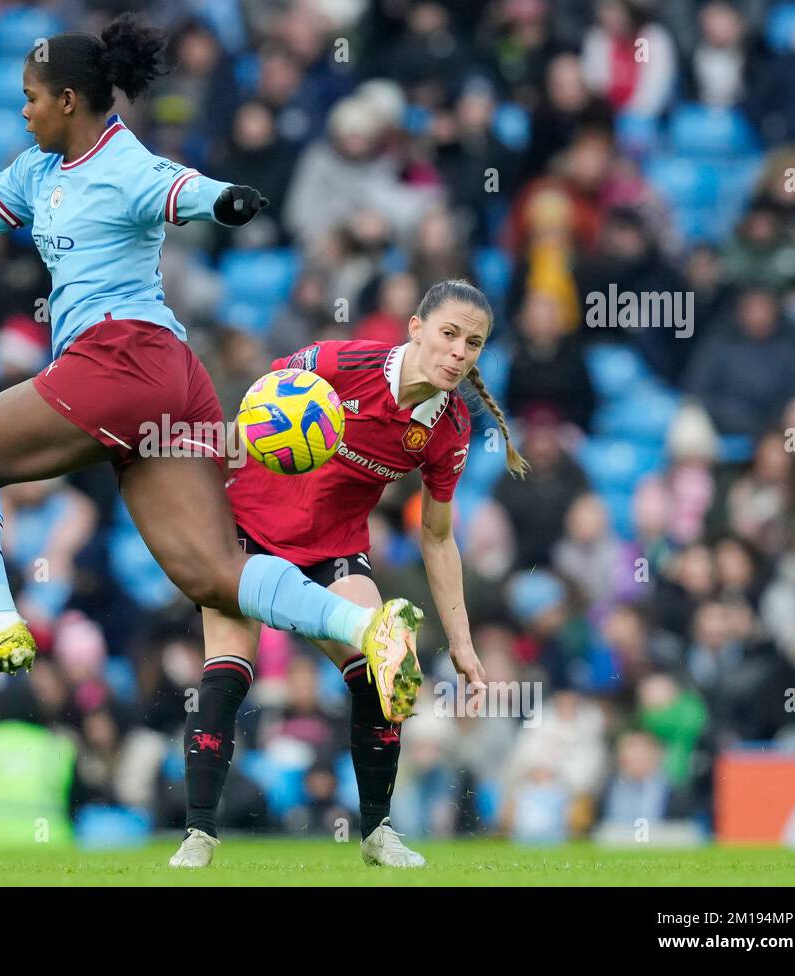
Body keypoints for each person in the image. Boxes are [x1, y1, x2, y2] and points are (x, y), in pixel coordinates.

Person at [0, 16, 423, 717]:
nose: (23, 109)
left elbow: (182, 188)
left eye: (31, 96)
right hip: (169, 380)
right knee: (214, 575)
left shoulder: (124, 161)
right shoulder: (36, 169)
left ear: (69, 100)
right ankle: (369, 628)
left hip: (119, 360)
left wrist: (225, 201)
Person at [169, 279, 529, 869]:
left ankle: (376, 832)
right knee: (227, 674)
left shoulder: (449, 428)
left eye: (473, 343)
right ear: (415, 328)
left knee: (380, 671)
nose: (459, 352)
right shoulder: (339, 362)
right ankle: (199, 834)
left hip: (332, 548)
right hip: (246, 533)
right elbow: (260, 404)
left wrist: (461, 644)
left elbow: (436, 537)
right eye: (448, 334)